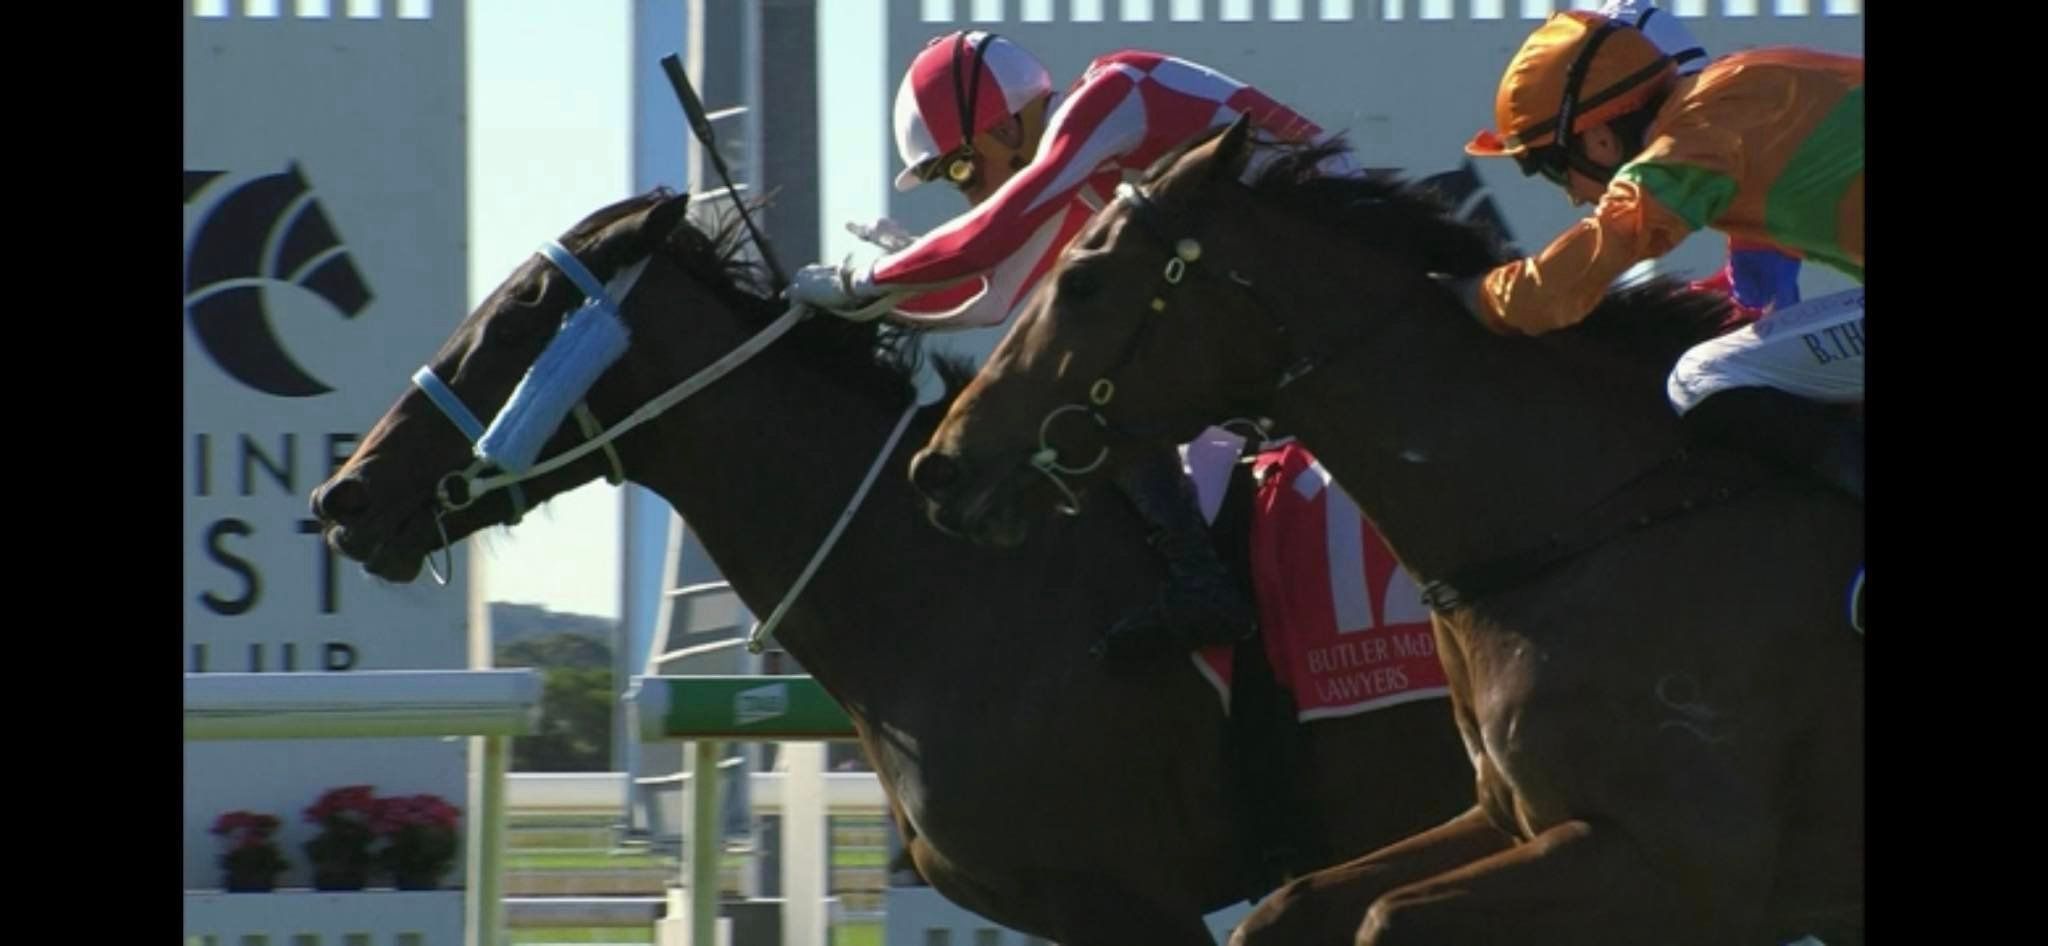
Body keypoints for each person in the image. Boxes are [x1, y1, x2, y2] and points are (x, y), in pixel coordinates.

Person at [785, 30, 1345, 663]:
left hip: (1333, 250)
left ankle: (1200, 578)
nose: (967, 192)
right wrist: (880, 300)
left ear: (1005, 126)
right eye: (949, 179)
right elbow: (993, 298)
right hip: (1285, 282)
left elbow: (990, 237)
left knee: (1093, 363)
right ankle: (1201, 573)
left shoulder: (1111, 96)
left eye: (961, 168)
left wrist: (864, 280)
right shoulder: (1088, 170)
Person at [1456, 8, 1864, 505]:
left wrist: (1477, 297)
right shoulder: (1743, 81)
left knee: (1703, 375)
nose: (1574, 197)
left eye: (1556, 171)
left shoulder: (1690, 143)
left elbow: (1559, 287)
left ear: (1599, 140)